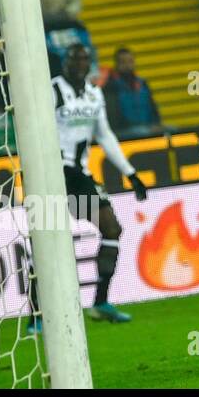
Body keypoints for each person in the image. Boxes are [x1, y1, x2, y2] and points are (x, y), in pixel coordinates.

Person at [29, 44, 148, 331]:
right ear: (65, 63)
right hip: (52, 175)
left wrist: (130, 173)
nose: (80, 63)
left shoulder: (94, 93)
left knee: (111, 229)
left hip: (79, 176)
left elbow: (104, 135)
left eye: (84, 59)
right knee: (48, 241)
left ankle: (100, 302)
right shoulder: (51, 90)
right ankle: (38, 316)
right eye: (74, 59)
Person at [101, 47, 164, 139]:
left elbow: (153, 109)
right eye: (123, 62)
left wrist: (156, 124)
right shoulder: (110, 87)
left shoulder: (142, 83)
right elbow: (112, 117)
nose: (127, 65)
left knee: (173, 131)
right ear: (116, 64)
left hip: (147, 127)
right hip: (124, 131)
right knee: (142, 132)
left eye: (130, 61)